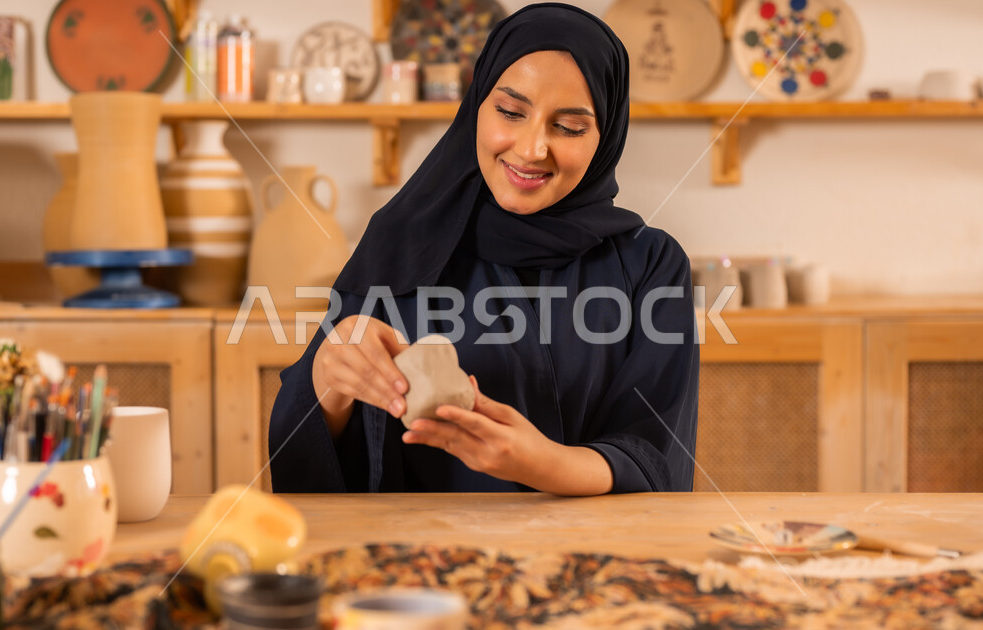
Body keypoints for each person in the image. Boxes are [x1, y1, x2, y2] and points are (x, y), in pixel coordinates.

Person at [268, 2, 698, 494]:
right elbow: (296, 461)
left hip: (591, 558)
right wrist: (330, 377)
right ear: (477, 105)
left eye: (570, 127)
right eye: (511, 112)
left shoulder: (651, 266)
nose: (532, 148)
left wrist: (542, 463)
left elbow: (656, 457)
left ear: (605, 138)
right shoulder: (401, 244)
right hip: (421, 560)